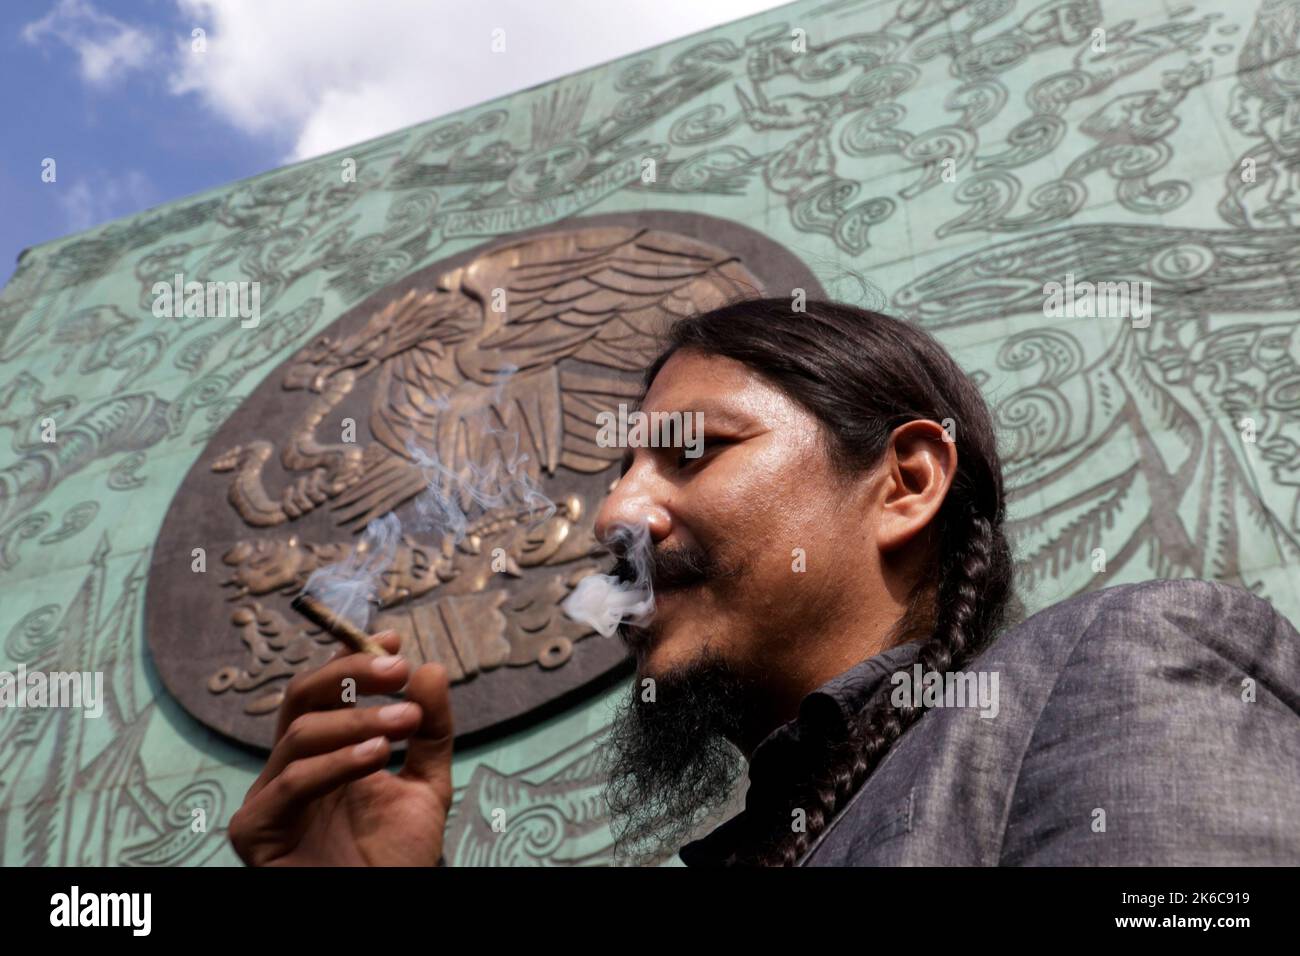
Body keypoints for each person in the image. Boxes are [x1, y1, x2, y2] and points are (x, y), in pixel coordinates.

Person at [228, 297, 1300, 867]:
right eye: (618, 471)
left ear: (906, 481)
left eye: (693, 452)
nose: (615, 516)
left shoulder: (1116, 667)